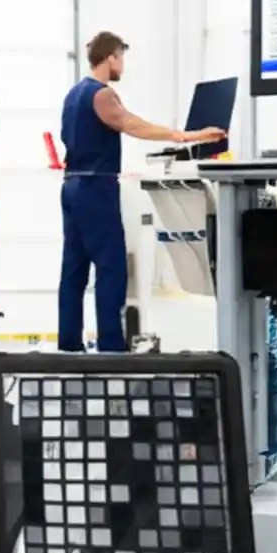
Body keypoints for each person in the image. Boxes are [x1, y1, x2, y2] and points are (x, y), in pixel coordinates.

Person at [58, 31, 226, 353]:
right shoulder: (102, 94)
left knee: (74, 270)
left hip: (72, 186)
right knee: (111, 268)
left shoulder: (73, 94)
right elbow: (133, 125)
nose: (123, 65)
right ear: (111, 57)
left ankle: (69, 345)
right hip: (96, 187)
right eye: (122, 57)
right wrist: (187, 136)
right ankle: (111, 346)